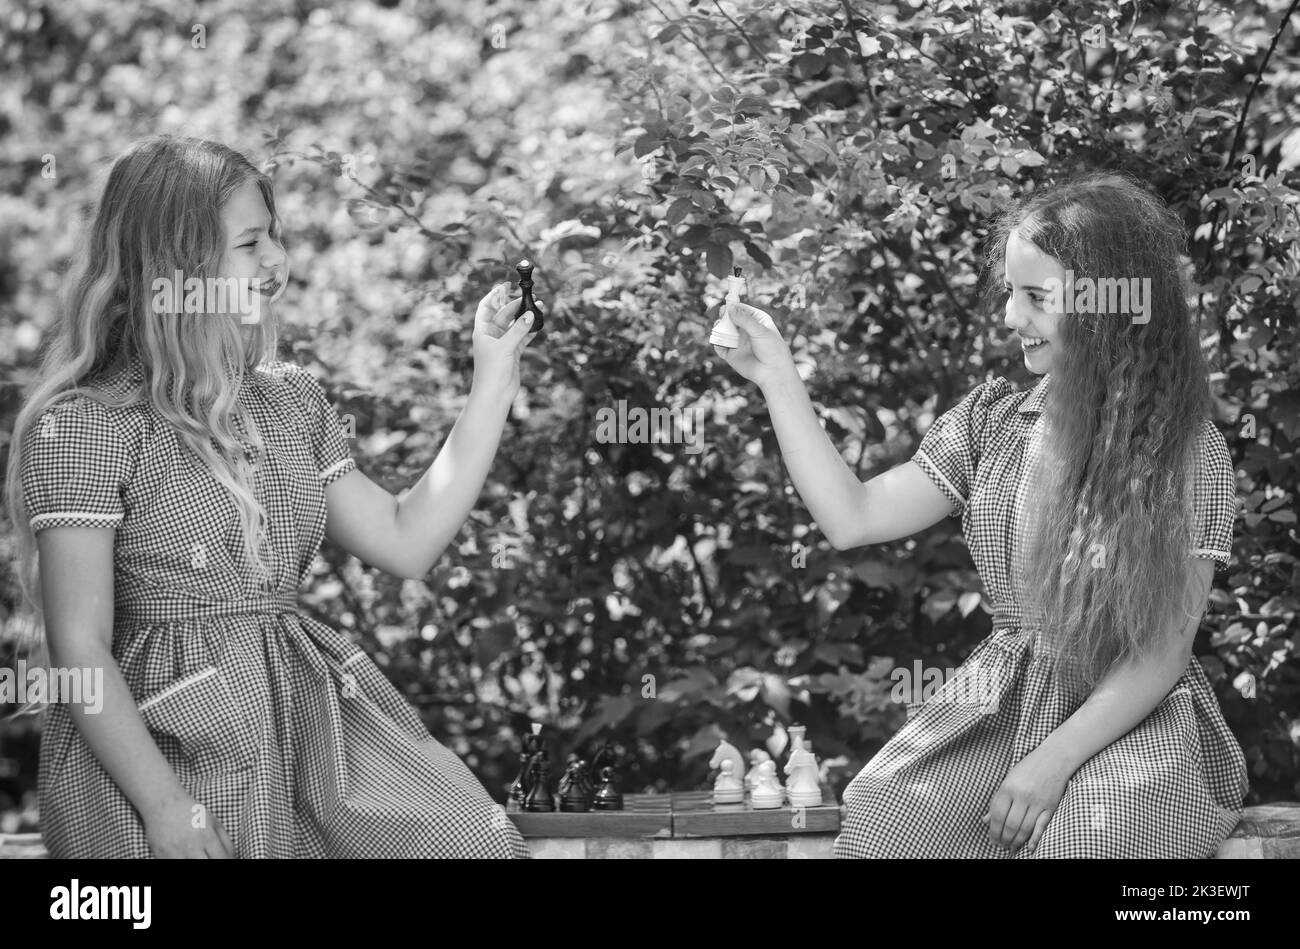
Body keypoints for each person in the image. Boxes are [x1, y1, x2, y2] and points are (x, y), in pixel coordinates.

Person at [5, 135, 533, 858]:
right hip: (160, 753)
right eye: (251, 243)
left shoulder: (289, 402)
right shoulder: (87, 424)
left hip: (302, 726)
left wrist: (492, 381)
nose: (277, 262)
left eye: (274, 236)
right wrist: (165, 807)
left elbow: (408, 539)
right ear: (177, 265)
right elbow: (79, 646)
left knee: (469, 840)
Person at [712, 172, 1247, 858]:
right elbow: (854, 517)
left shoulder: (1188, 449)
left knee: (1081, 843)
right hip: (997, 704)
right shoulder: (993, 423)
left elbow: (1165, 649)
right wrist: (776, 377)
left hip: (1131, 722)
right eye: (1009, 293)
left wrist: (1050, 764)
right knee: (884, 819)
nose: (1010, 317)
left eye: (1035, 297)